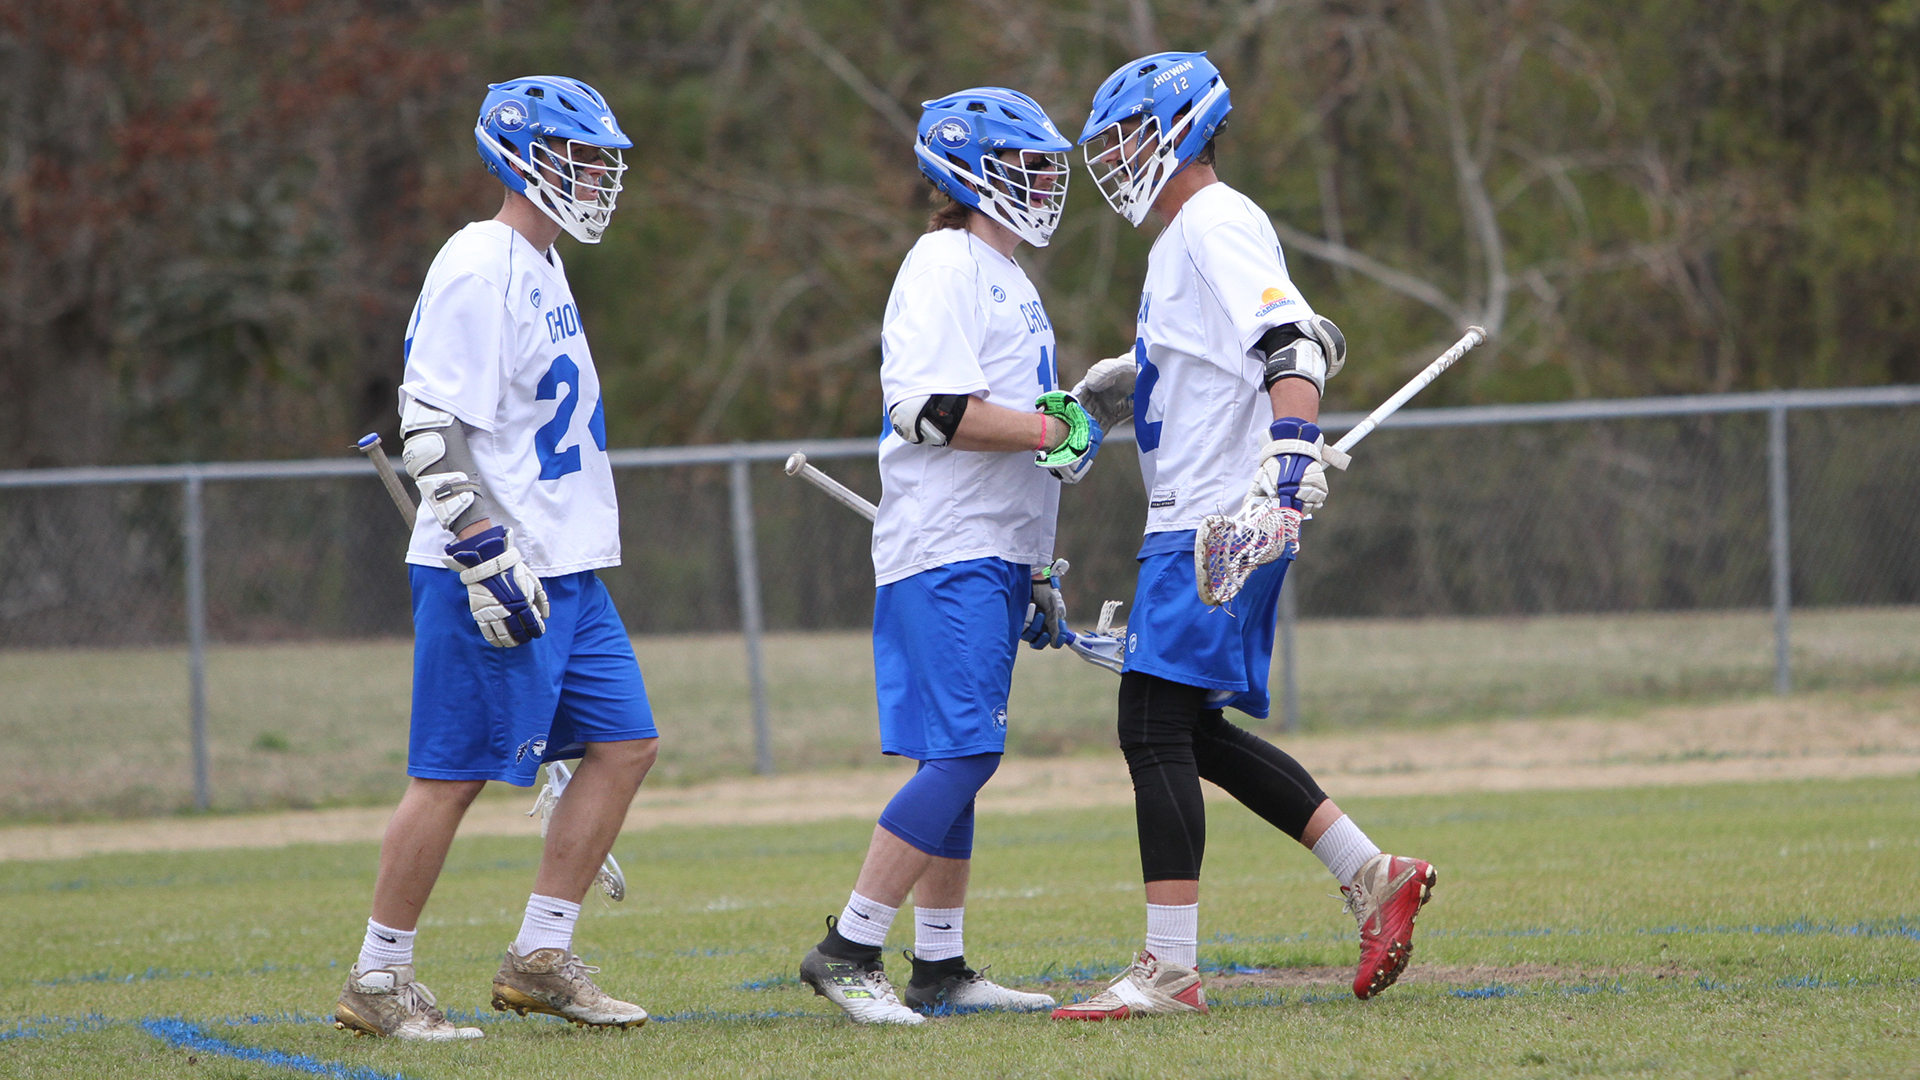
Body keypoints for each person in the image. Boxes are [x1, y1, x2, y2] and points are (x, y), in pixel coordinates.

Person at [1051, 52, 1437, 1022]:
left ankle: (1169, 970)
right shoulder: (1182, 239)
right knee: (1188, 731)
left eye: (1131, 137)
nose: (1117, 158)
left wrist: (1290, 463)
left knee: (1151, 726)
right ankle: (1372, 873)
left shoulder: (1213, 220)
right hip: (1190, 512)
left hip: (1219, 516)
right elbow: (1219, 356)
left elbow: (1291, 343)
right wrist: (1130, 377)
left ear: (1183, 130)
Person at [332, 76, 657, 1041]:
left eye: (601, 162)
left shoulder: (543, 264)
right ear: (521, 159)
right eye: (579, 158)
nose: (595, 177)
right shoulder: (481, 262)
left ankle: (541, 958)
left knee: (624, 745)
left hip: (568, 565)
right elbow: (429, 423)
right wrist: (479, 546)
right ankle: (379, 975)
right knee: (452, 774)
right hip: (497, 563)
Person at [796, 87, 1103, 1025]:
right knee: (967, 754)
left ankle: (939, 967)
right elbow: (925, 410)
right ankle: (848, 950)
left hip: (995, 547)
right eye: (1027, 165)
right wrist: (1052, 428)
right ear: (969, 172)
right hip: (947, 545)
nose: (1045, 182)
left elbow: (1017, 424)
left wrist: (1038, 564)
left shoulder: (1008, 274)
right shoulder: (943, 261)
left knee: (956, 753)